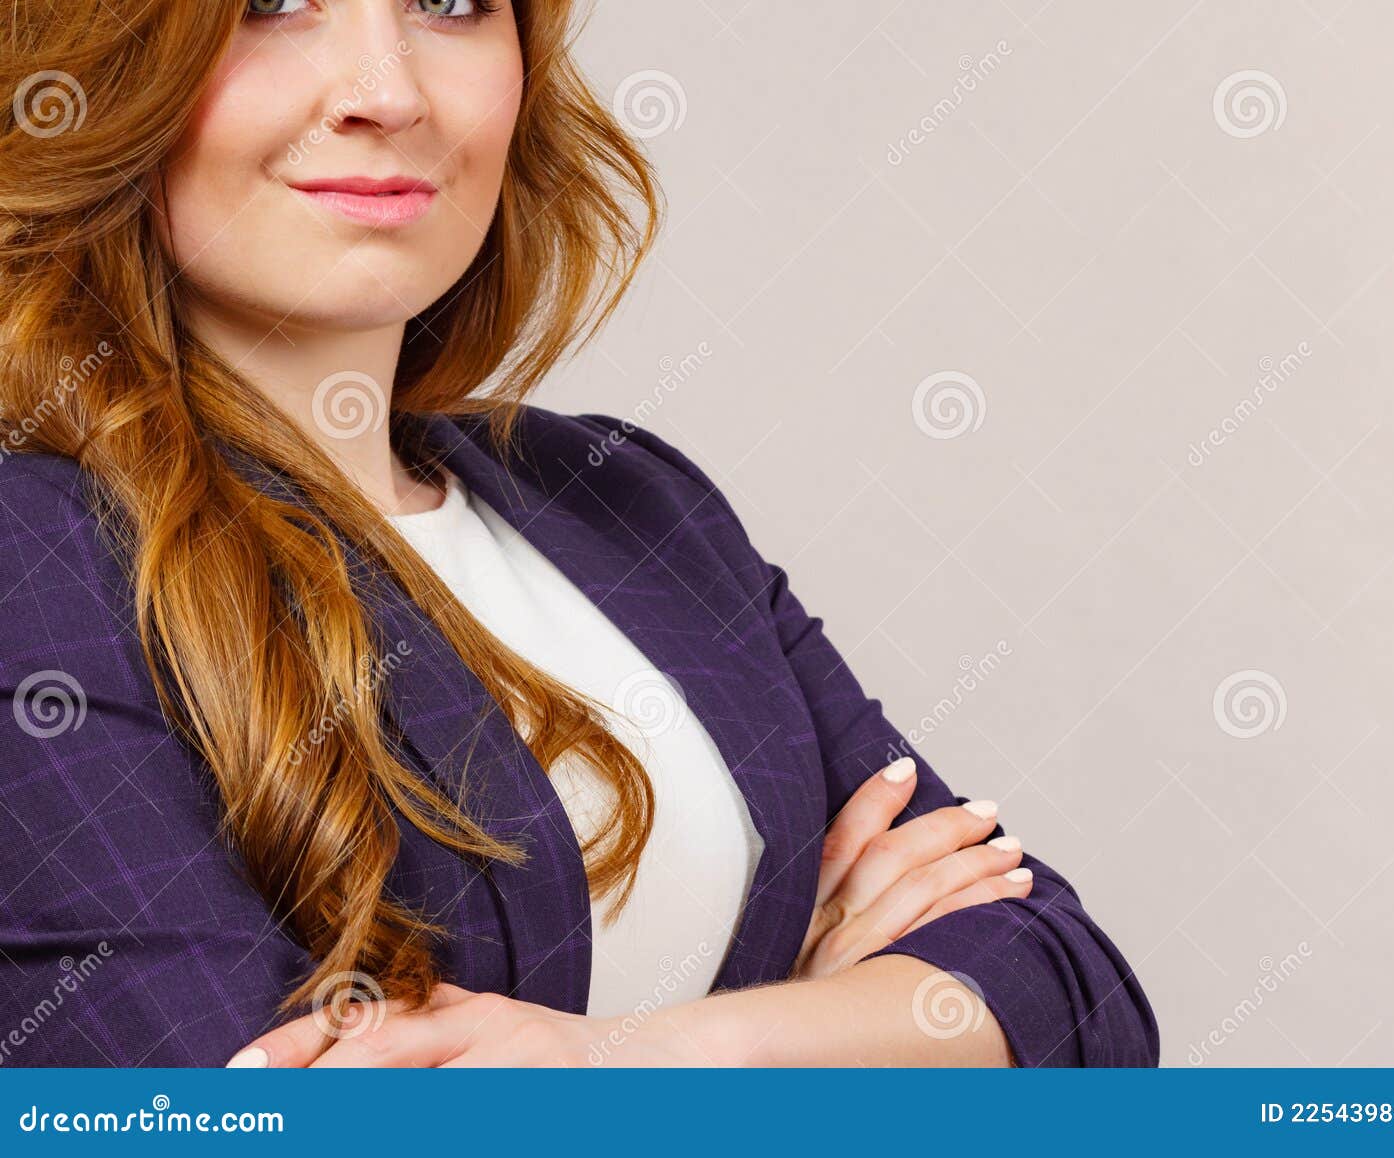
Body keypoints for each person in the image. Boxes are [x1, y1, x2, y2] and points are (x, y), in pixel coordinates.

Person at [0, 0, 1158, 1067]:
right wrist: (838, 1029)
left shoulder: (628, 503)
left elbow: (1074, 1001)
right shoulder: (33, 555)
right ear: (99, 61)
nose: (385, 92)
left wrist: (625, 1061)